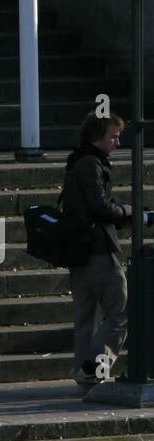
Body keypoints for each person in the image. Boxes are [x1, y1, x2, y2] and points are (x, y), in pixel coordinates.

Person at [60, 112, 152, 393]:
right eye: (113, 136)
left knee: (86, 319)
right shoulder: (91, 164)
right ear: (95, 136)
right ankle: (92, 369)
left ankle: (85, 376)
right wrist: (135, 212)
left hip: (80, 254)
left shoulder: (78, 162)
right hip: (99, 251)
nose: (118, 142)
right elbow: (101, 207)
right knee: (119, 314)